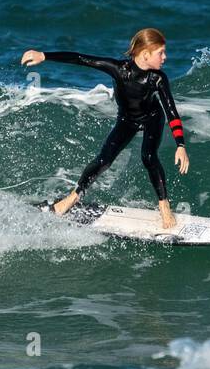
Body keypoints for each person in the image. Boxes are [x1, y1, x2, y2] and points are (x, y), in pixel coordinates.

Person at [21, 28, 189, 230]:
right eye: (161, 52)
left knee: (149, 157)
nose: (165, 57)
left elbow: (171, 111)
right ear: (146, 54)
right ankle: (73, 197)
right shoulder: (118, 69)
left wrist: (180, 144)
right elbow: (81, 59)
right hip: (127, 119)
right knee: (103, 160)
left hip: (152, 117)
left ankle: (164, 206)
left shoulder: (158, 78)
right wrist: (44, 56)